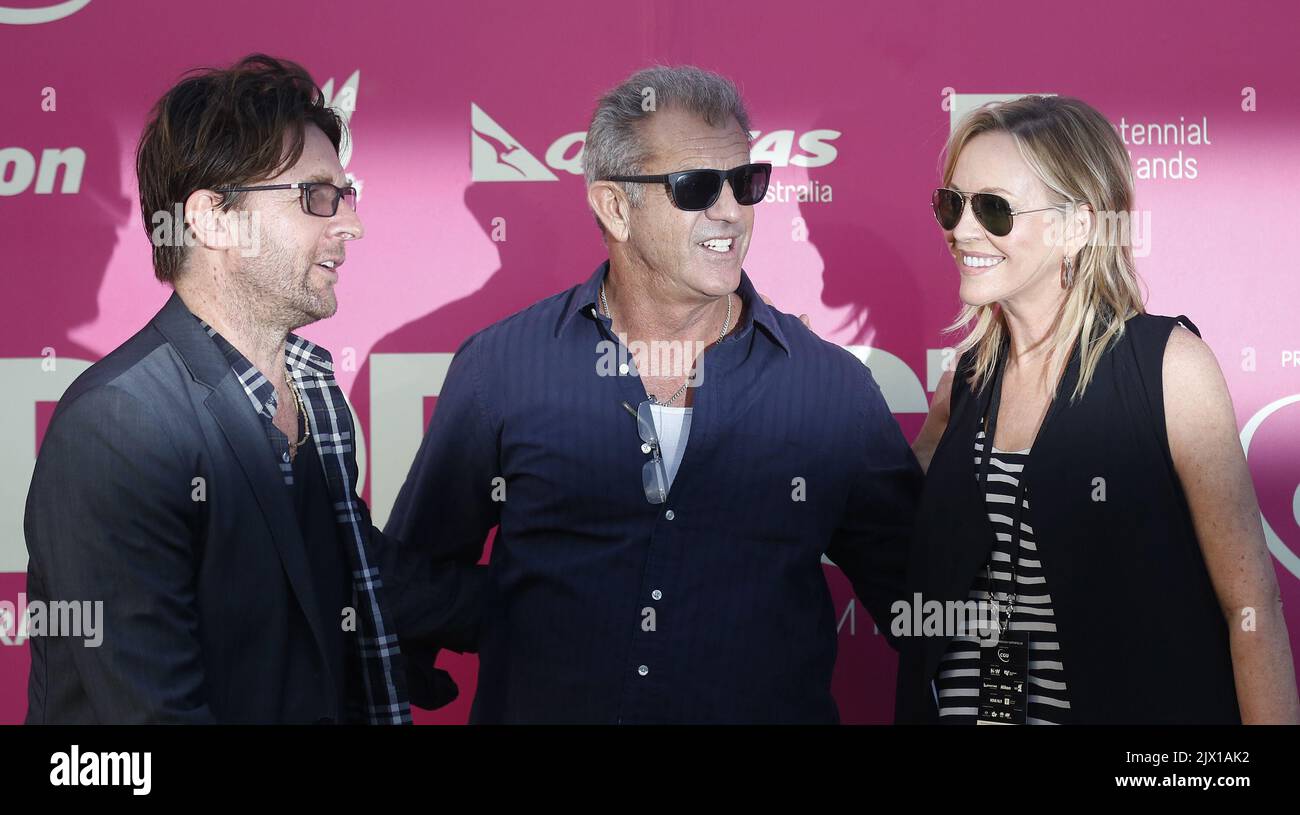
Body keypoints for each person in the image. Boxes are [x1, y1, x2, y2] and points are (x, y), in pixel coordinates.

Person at [383, 65, 922, 723]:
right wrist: (532, 613)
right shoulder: (501, 370)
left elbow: (922, 600)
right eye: (696, 187)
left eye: (746, 182)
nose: (730, 210)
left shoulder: (829, 388)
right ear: (614, 206)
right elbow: (412, 580)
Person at [24, 54, 411, 724]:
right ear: (212, 219)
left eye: (347, 198)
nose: (350, 225)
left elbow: (357, 575)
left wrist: (562, 592)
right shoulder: (119, 427)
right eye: (317, 197)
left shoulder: (315, 395)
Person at [898, 95, 1299, 724]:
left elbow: (1251, 608)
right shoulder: (967, 380)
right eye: (952, 203)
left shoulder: (1168, 369)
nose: (961, 229)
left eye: (993, 209)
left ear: (1077, 226)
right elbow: (884, 519)